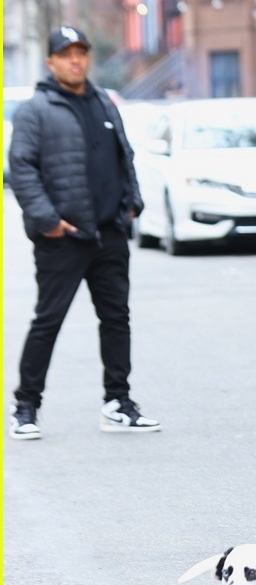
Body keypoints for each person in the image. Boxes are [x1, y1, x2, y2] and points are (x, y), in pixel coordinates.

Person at [8, 25, 157, 440]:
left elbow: (124, 155)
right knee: (48, 321)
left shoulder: (103, 102)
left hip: (109, 231)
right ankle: (26, 406)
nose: (76, 60)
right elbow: (21, 171)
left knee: (116, 319)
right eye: (66, 53)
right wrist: (48, 222)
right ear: (51, 61)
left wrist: (132, 204)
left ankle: (118, 402)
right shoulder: (35, 110)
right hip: (63, 238)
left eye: (81, 52)